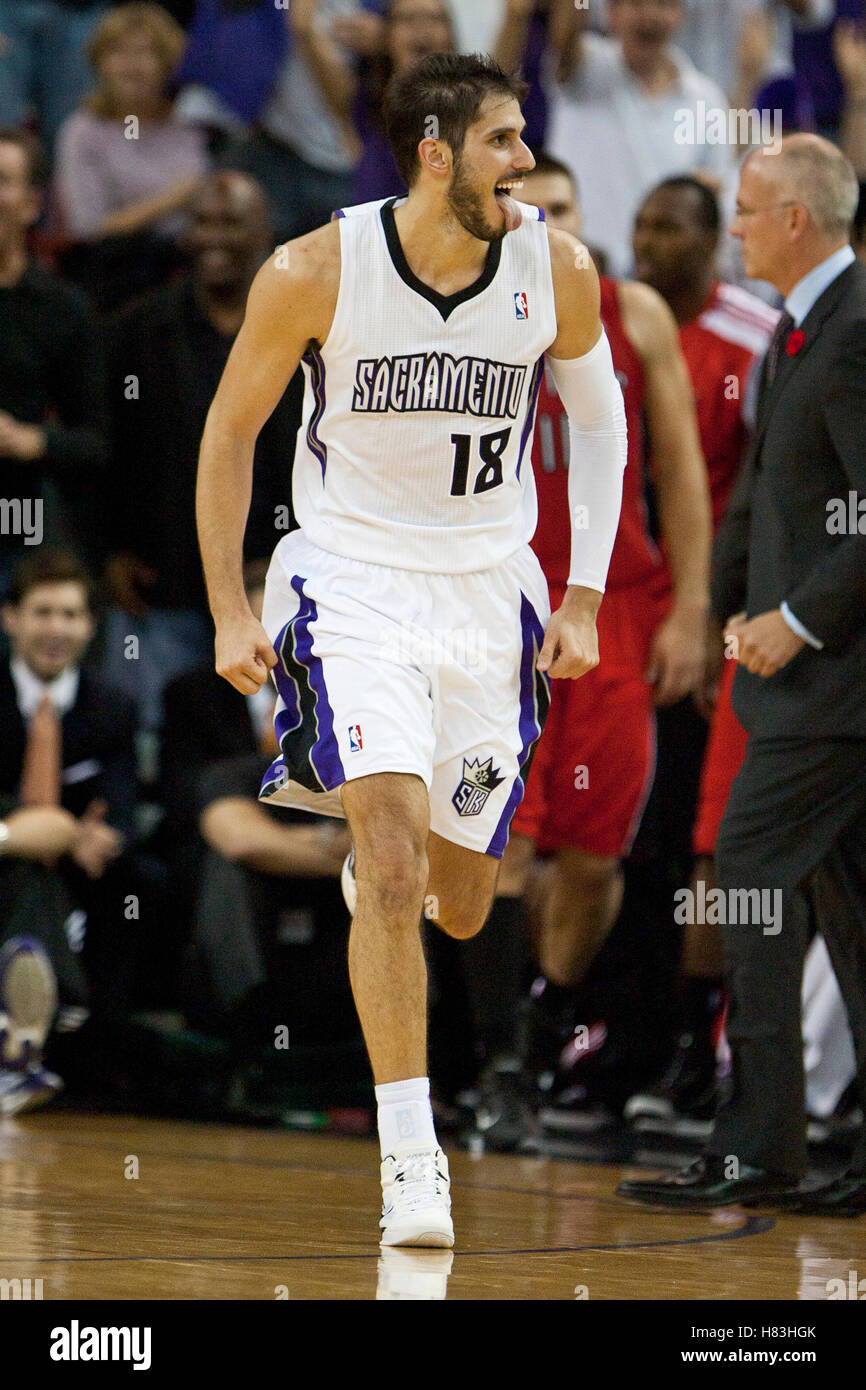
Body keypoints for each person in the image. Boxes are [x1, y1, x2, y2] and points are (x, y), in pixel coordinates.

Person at [197, 52, 628, 1246]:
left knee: (461, 904)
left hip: (489, 592)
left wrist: (583, 594)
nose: (524, 162)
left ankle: (379, 883)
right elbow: (229, 434)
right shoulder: (315, 269)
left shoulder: (559, 268)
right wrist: (234, 612)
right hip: (353, 583)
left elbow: (597, 422)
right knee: (391, 866)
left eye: (523, 136)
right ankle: (410, 1155)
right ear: (435, 152)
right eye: (500, 140)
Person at [618, 134, 866, 1215]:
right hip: (807, 686)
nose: (735, 229)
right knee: (849, 918)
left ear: (797, 221)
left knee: (750, 880)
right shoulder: (796, 327)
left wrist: (797, 622)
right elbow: (767, 495)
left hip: (835, 684)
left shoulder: (852, 332)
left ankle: (758, 1141)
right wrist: (723, 605)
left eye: (750, 211)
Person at [460, 153, 710, 1149]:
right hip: (496, 606)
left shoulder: (631, 313)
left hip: (612, 610)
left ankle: (538, 1025)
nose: (547, 220)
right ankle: (505, 1061)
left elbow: (682, 482)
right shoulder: (473, 311)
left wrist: (691, 610)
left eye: (563, 206)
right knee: (503, 840)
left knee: (594, 851)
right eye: (532, 205)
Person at [617, 175, 778, 1127]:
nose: (647, 238)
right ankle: (625, 1046)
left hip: (713, 627)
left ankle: (703, 1052)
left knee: (706, 849)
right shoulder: (612, 327)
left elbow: (777, 502)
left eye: (668, 225)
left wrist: (724, 625)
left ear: (715, 240)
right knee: (633, 846)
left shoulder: (753, 341)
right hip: (623, 617)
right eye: (639, 221)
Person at [102, 171, 302, 733]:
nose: (213, 236)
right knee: (149, 736)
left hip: (275, 585)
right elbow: (107, 449)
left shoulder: (306, 333)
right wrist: (112, 550)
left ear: (264, 233)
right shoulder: (137, 331)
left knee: (273, 745)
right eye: (202, 223)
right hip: (161, 583)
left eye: (231, 223)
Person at [0, 550, 138, 1104]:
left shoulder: (112, 708)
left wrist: (81, 835)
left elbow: (119, 813)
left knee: (138, 882)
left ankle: (36, 1044)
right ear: (11, 618)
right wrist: (36, 829)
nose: (57, 628)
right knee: (27, 874)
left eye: (71, 614)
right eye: (42, 612)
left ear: (90, 626)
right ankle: (57, 1003)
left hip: (79, 871)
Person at [545, 0, 732, 278]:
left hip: (662, 281)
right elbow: (565, 40)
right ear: (610, 13)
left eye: (663, 4)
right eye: (636, 2)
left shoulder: (707, 99)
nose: (650, 15)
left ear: (680, 14)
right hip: (579, 272)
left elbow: (715, 196)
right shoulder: (586, 70)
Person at [0, 127, 108, 594]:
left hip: (22, 526)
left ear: (31, 204)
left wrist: (30, 440)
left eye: (3, 180)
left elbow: (96, 442)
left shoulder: (65, 310)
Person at [53, 2, 209, 309]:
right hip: (110, 274)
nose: (131, 65)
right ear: (99, 62)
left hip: (184, 272)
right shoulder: (82, 131)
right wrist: (172, 200)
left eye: (145, 53)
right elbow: (89, 227)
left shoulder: (186, 126)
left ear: (166, 63)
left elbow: (201, 212)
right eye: (118, 52)